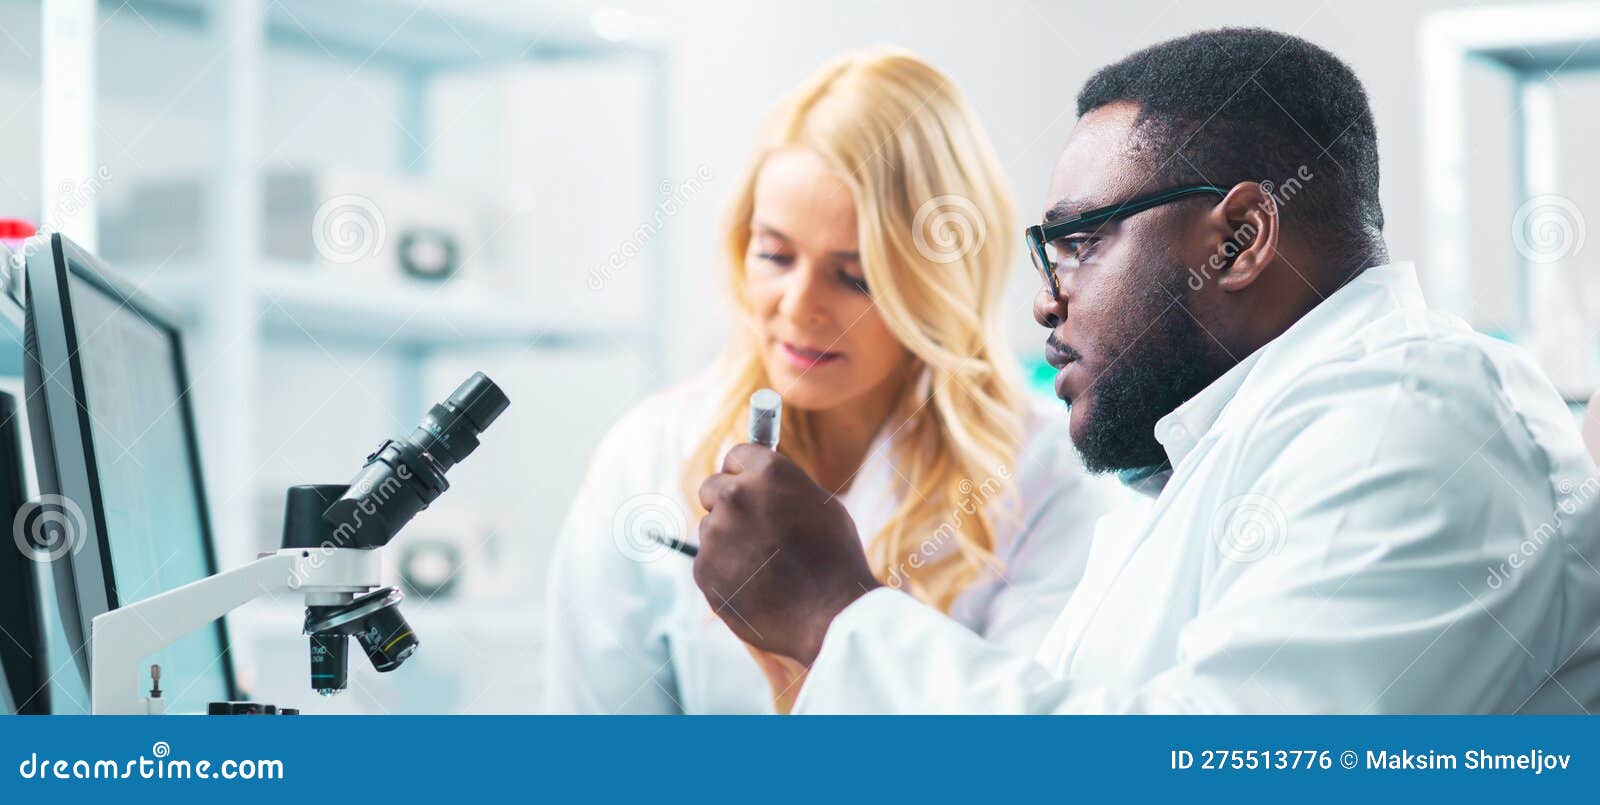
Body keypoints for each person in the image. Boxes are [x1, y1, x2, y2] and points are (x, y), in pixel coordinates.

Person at [690, 27, 1600, 713]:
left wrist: (837, 615)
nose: (1047, 303)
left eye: (1080, 243)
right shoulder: (1213, 454)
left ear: (1240, 237)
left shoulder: (1415, 425)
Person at [544, 48, 1131, 714]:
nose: (798, 306)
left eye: (855, 275)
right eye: (775, 254)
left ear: (937, 282)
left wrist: (814, 658)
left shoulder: (1044, 478)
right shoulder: (648, 454)